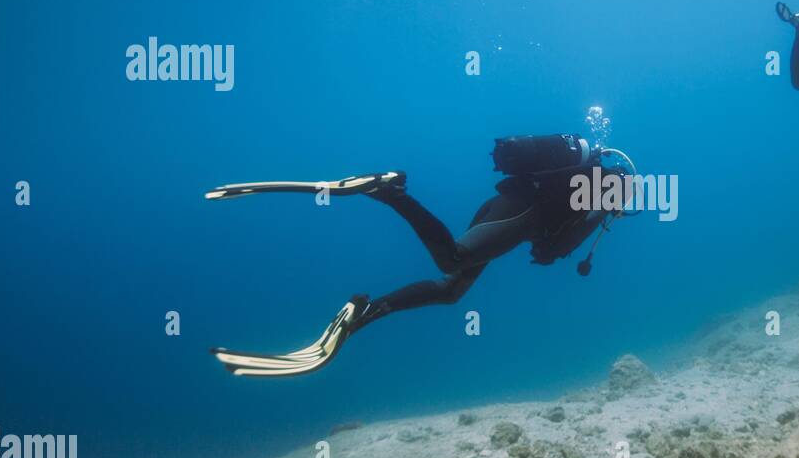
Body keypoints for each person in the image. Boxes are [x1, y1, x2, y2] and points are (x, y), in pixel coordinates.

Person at [205, 134, 623, 376]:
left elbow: (554, 240)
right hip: (521, 214)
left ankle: (364, 313)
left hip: (508, 209)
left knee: (451, 290)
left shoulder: (587, 181)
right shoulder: (602, 190)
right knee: (454, 260)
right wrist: (597, 218)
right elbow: (557, 246)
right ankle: (389, 193)